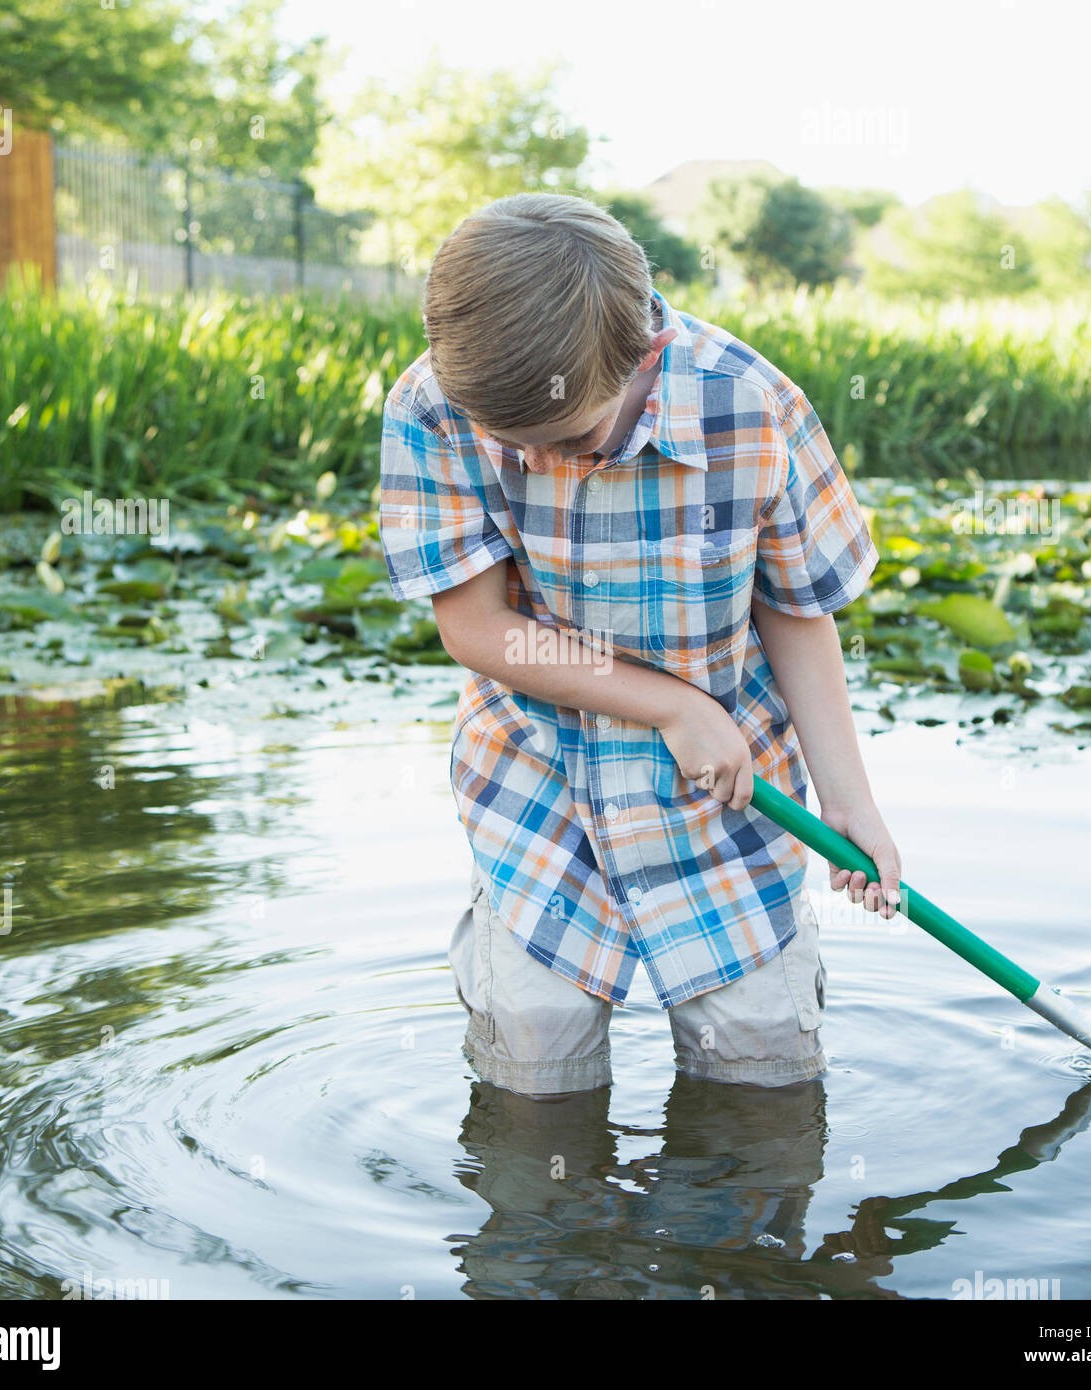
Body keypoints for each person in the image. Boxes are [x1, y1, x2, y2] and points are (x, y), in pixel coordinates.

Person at [379, 192, 902, 1098]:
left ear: (647, 354)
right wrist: (669, 703)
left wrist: (851, 805)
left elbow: (796, 610)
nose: (546, 460)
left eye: (573, 436)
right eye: (515, 445)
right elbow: (474, 625)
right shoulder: (434, 406)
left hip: (733, 794)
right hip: (539, 781)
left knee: (762, 1068)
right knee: (534, 1066)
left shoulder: (753, 406)